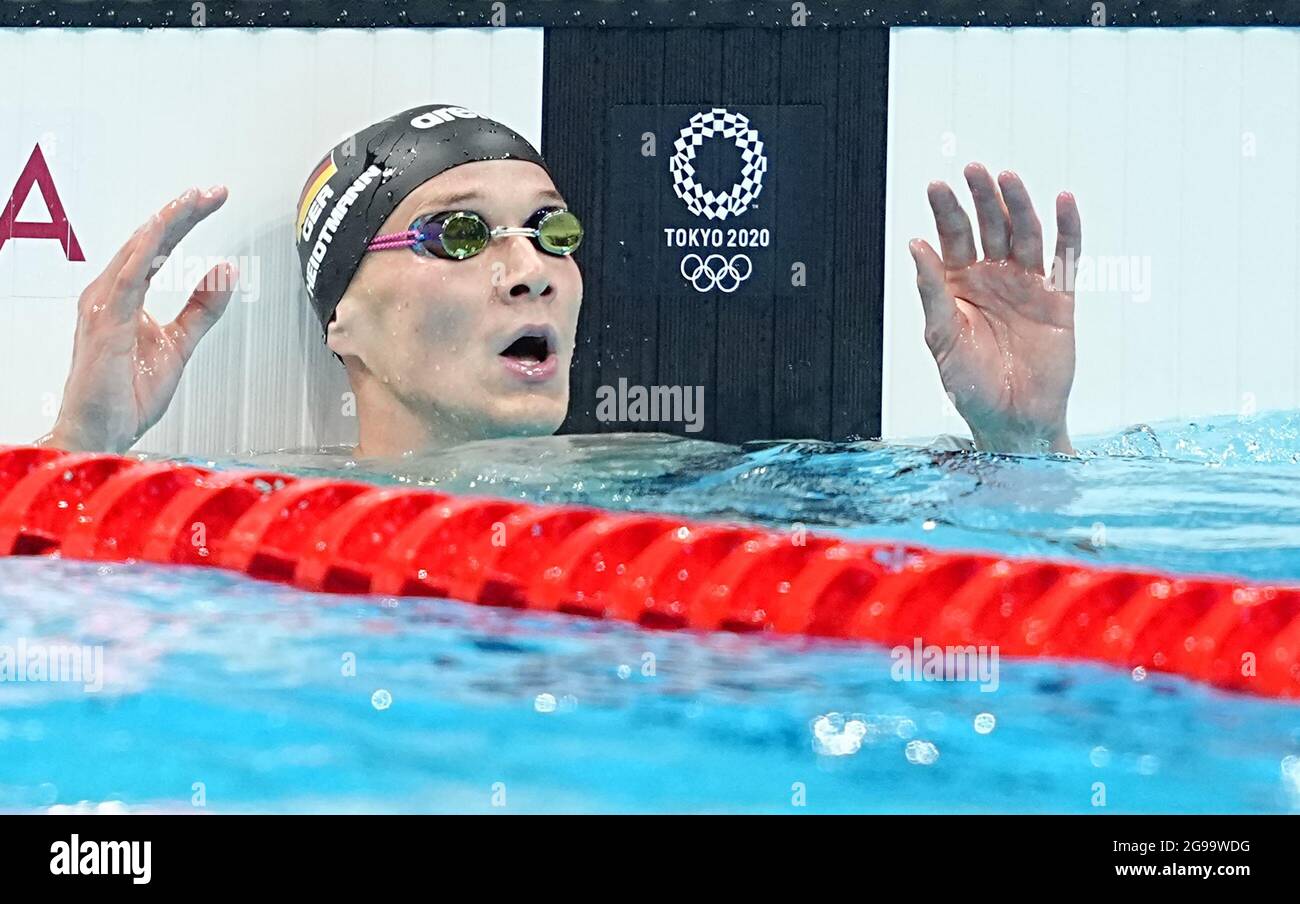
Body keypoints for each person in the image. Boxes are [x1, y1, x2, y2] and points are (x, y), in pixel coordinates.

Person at [36, 103, 1081, 459]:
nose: (531, 270)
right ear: (341, 319)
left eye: (553, 231)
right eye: (460, 235)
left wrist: (1029, 448)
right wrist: (79, 457)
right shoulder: (264, 528)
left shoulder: (676, 488)